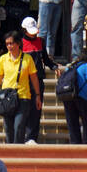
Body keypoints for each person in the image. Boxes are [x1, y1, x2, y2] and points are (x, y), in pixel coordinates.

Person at [0, 30, 41, 144]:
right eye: (7, 44)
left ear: (18, 43)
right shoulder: (3, 59)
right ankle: (10, 153)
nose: (9, 46)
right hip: (7, 98)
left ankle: (18, 153)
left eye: (12, 43)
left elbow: (34, 78)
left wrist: (37, 95)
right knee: (8, 128)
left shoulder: (28, 59)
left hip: (23, 97)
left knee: (19, 126)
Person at [21, 15, 56, 143]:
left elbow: (45, 59)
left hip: (38, 80)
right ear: (24, 30)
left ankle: (31, 137)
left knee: (36, 109)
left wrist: (54, 66)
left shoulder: (40, 41)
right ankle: (22, 135)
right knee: (24, 109)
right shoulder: (19, 44)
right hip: (24, 81)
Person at [62, 49, 87, 144]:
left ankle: (75, 147)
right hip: (83, 98)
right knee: (86, 125)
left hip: (68, 98)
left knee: (72, 125)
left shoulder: (69, 67)